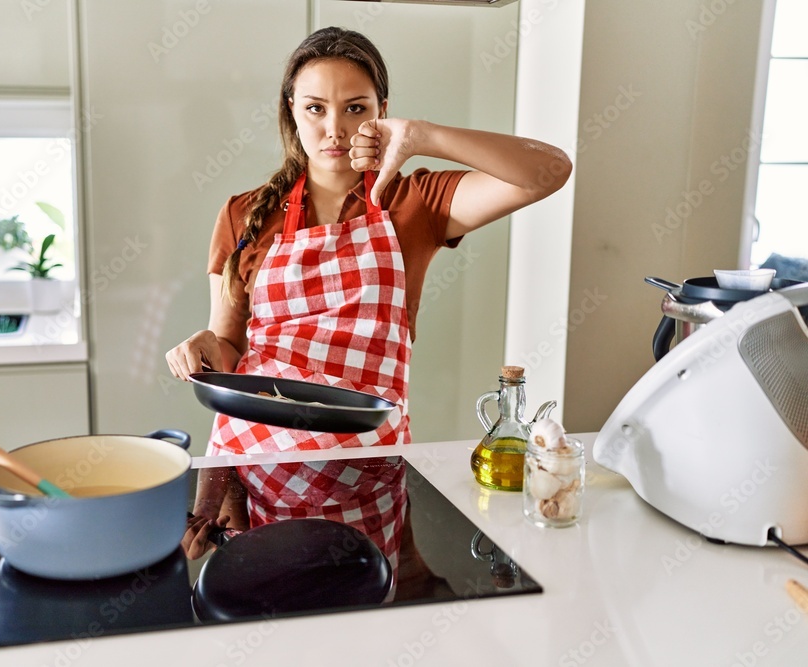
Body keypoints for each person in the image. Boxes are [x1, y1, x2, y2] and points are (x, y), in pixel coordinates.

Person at [167, 26, 572, 557]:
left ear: (383, 110)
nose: (334, 129)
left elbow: (548, 171)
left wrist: (423, 135)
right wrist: (201, 345)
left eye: (355, 108)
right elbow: (229, 348)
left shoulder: (415, 201)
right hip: (257, 462)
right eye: (315, 108)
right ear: (291, 109)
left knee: (361, 614)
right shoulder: (243, 213)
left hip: (367, 470)